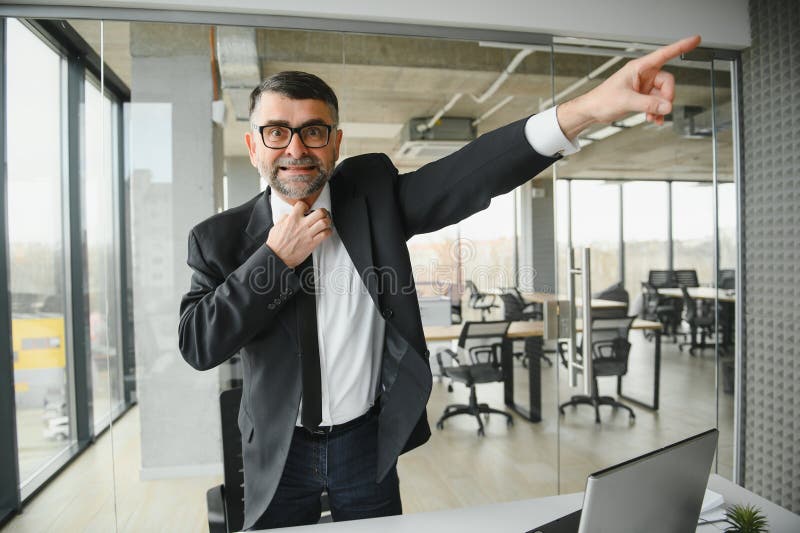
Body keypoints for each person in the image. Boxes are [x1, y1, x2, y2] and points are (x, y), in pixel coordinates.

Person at [178, 35, 701, 530]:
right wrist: (274, 258)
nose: (296, 147)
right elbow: (199, 344)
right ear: (253, 145)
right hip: (276, 449)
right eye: (277, 131)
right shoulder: (217, 239)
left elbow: (469, 173)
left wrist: (586, 109)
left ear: (335, 143)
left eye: (314, 130)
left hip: (366, 444)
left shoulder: (372, 196)